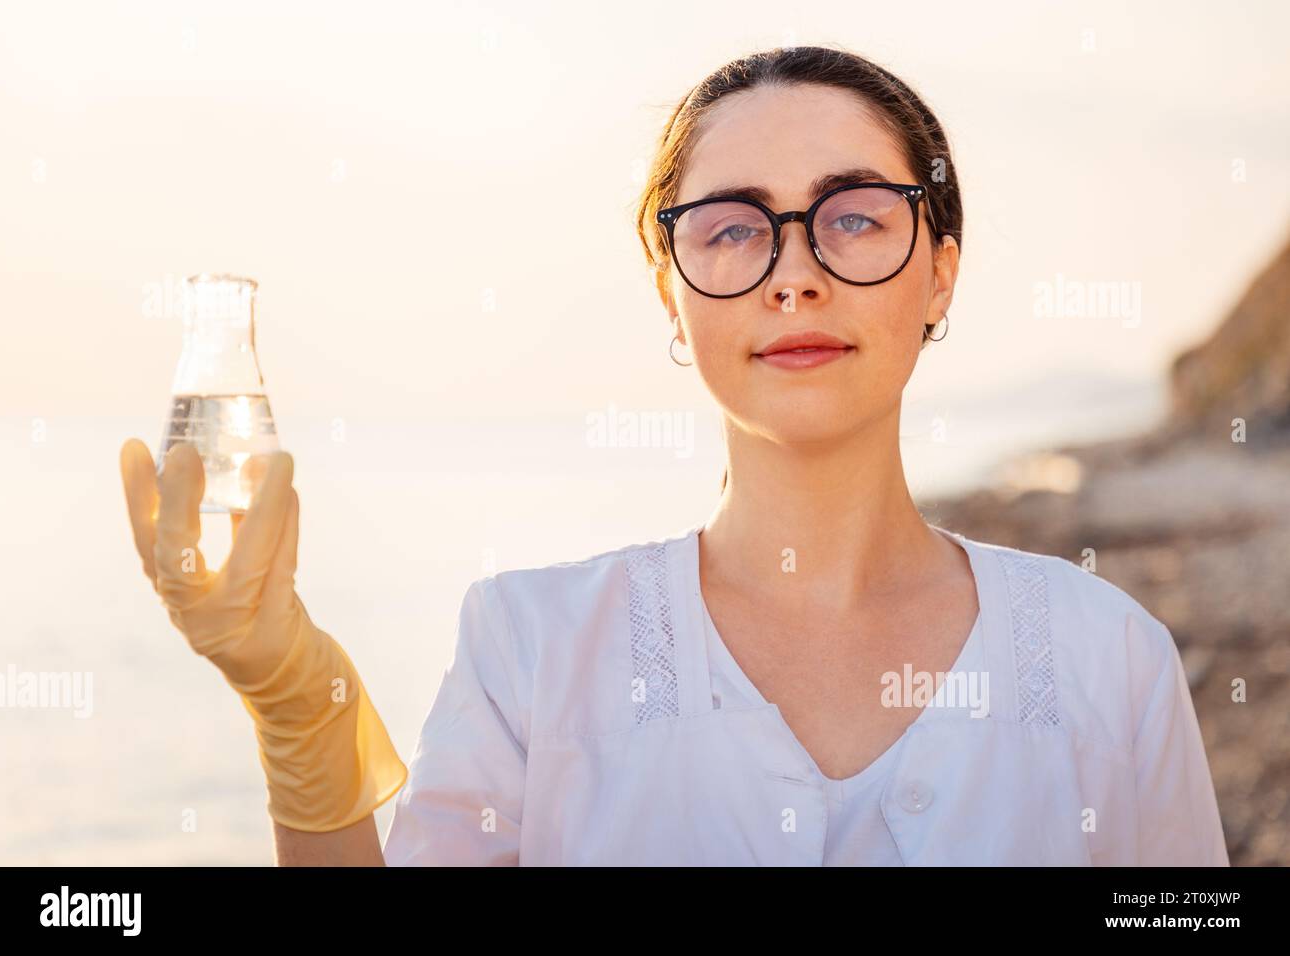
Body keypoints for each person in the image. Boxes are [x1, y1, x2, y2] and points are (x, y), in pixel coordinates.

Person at [120, 44, 1228, 866]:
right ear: (672, 286)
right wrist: (299, 714)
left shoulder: (1103, 659)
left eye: (851, 215)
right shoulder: (531, 649)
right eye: (732, 227)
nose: (793, 276)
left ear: (938, 269)